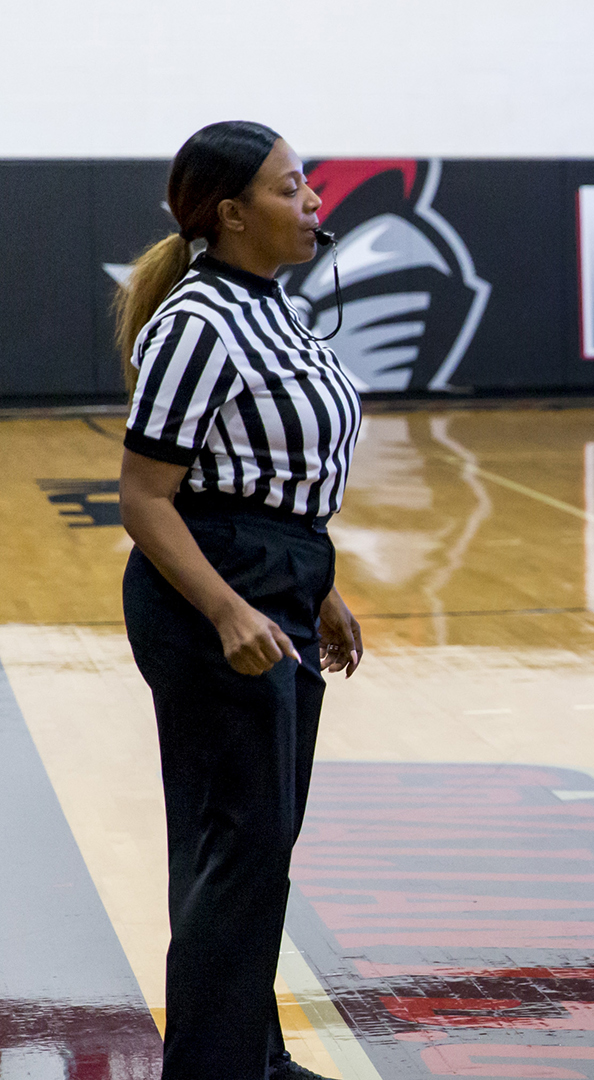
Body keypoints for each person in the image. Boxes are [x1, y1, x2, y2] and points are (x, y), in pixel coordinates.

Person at [115, 121, 363, 1080]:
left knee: (252, 843)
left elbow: (273, 475)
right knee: (241, 843)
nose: (312, 203)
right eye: (290, 188)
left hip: (280, 574)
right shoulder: (198, 324)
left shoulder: (273, 308)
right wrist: (227, 609)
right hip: (211, 588)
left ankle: (250, 1055)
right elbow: (146, 498)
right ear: (231, 214)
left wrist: (321, 586)